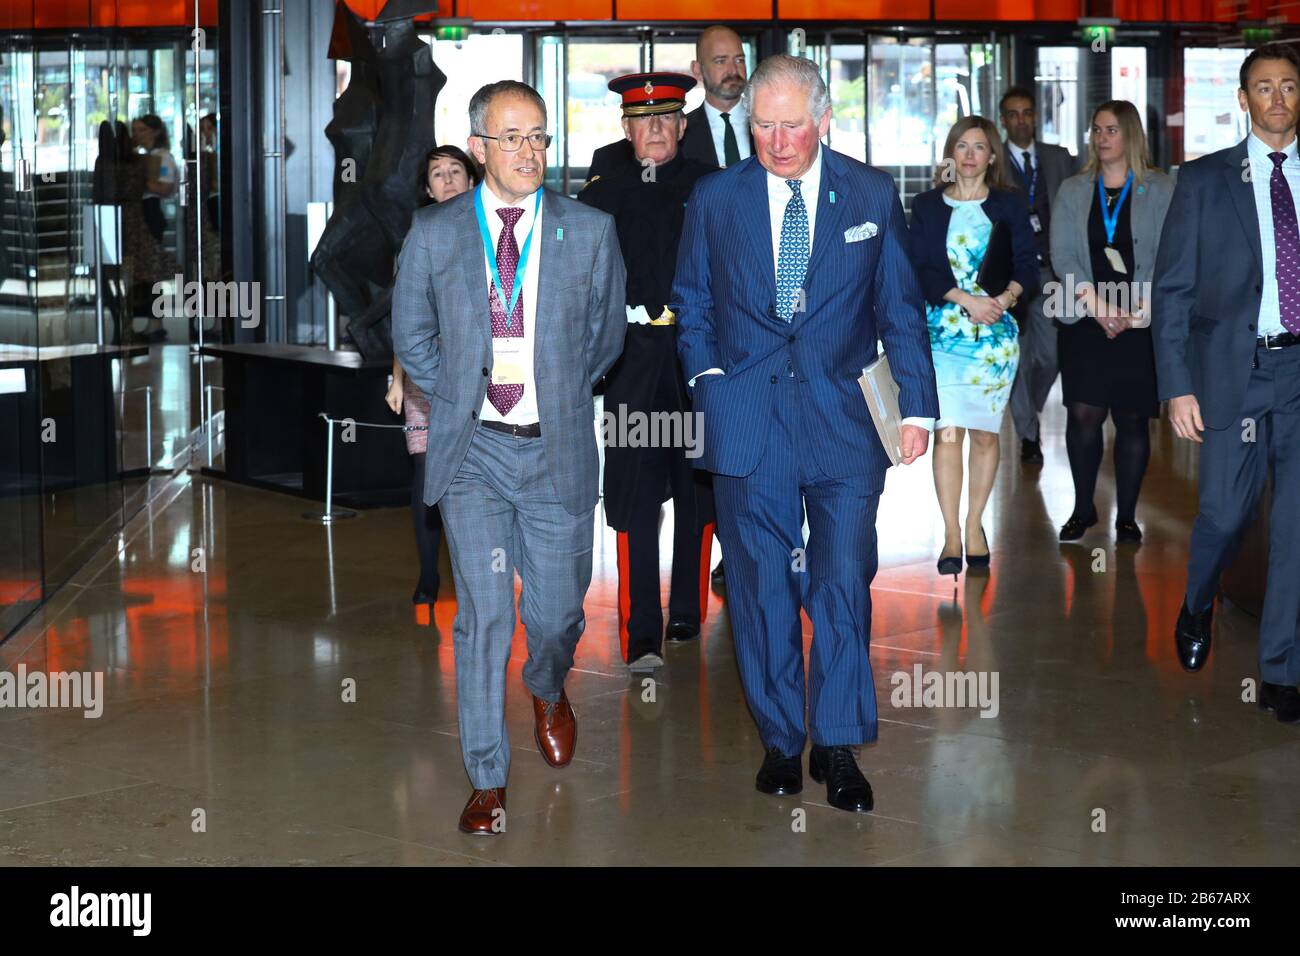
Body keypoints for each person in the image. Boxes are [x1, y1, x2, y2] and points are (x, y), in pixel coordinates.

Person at [672, 54, 939, 813]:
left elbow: (899, 307)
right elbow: (692, 301)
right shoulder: (716, 197)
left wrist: (916, 409)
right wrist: (709, 382)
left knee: (842, 578)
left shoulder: (871, 193)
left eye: (793, 125)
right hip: (746, 420)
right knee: (760, 585)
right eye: (764, 126)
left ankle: (839, 743)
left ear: (825, 120)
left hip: (843, 422)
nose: (779, 142)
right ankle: (782, 740)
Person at [392, 80, 626, 834]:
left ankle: (548, 685)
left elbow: (605, 338)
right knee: (484, 617)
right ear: (479, 147)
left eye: (539, 136)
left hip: (554, 449)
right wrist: (461, 392)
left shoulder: (588, 231)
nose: (530, 151)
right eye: (513, 137)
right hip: (474, 454)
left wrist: (554, 390)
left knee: (556, 614)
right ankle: (487, 778)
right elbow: (410, 332)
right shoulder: (435, 232)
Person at [1153, 44, 1300, 721]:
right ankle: (1197, 599)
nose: (1277, 98)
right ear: (1244, 100)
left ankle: (1282, 672)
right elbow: (1173, 290)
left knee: (1294, 527)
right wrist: (1177, 385)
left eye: (1289, 86)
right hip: (1232, 374)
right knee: (1224, 513)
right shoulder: (1205, 180)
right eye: (1264, 87)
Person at [578, 72, 716, 674]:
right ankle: (640, 630)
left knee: (697, 491)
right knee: (635, 496)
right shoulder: (601, 193)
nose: (655, 129)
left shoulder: (711, 186)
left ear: (682, 125)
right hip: (633, 365)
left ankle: (686, 609)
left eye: (665, 118)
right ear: (626, 129)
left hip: (695, 361)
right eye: (643, 120)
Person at [908, 116, 1038, 576]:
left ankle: (975, 523)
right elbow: (919, 267)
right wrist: (966, 300)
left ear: (991, 156)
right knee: (947, 432)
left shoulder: (1009, 204)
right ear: (950, 152)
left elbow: (1027, 265)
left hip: (994, 337)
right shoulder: (927, 205)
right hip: (943, 334)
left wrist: (1001, 301)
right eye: (961, 146)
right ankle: (949, 533)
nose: (969, 155)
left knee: (984, 434)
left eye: (979, 146)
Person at [1052, 100, 1173, 544]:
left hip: (1139, 320)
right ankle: (1084, 509)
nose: (1101, 138)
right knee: (1083, 415)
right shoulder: (1073, 189)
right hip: (1085, 317)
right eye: (1096, 130)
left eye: (1111, 130)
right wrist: (1099, 307)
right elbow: (1062, 254)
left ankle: (1127, 516)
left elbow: (1169, 254)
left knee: (1132, 419)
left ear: (1131, 135)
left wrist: (1134, 309)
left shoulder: (1160, 188)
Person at [385, 145, 480, 606]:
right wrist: (397, 378)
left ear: (472, 179)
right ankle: (428, 575)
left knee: (478, 477)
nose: (447, 180)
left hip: (482, 377)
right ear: (427, 188)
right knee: (427, 475)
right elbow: (406, 320)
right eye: (437, 174)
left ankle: (477, 575)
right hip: (427, 379)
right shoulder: (418, 238)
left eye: (455, 171)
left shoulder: (494, 232)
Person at [999, 86, 1078, 464]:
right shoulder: (993, 158)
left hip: (1050, 271)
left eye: (1027, 112)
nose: (1021, 120)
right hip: (1008, 276)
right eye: (1013, 114)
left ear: (1035, 116)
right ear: (1003, 120)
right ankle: (1029, 433)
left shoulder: (1059, 158)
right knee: (1017, 357)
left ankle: (1028, 413)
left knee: (1049, 357)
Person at [587, 26, 752, 181]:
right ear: (697, 70)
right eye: (721, 61)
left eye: (739, 60)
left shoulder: (765, 126)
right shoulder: (668, 137)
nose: (733, 70)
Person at [131, 115, 177, 344]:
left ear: (155, 131)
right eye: (135, 130)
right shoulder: (144, 156)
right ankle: (151, 322)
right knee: (145, 273)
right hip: (141, 213)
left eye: (142, 130)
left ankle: (156, 323)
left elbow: (166, 188)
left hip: (151, 213)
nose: (137, 135)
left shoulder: (162, 157)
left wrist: (142, 181)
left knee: (152, 272)